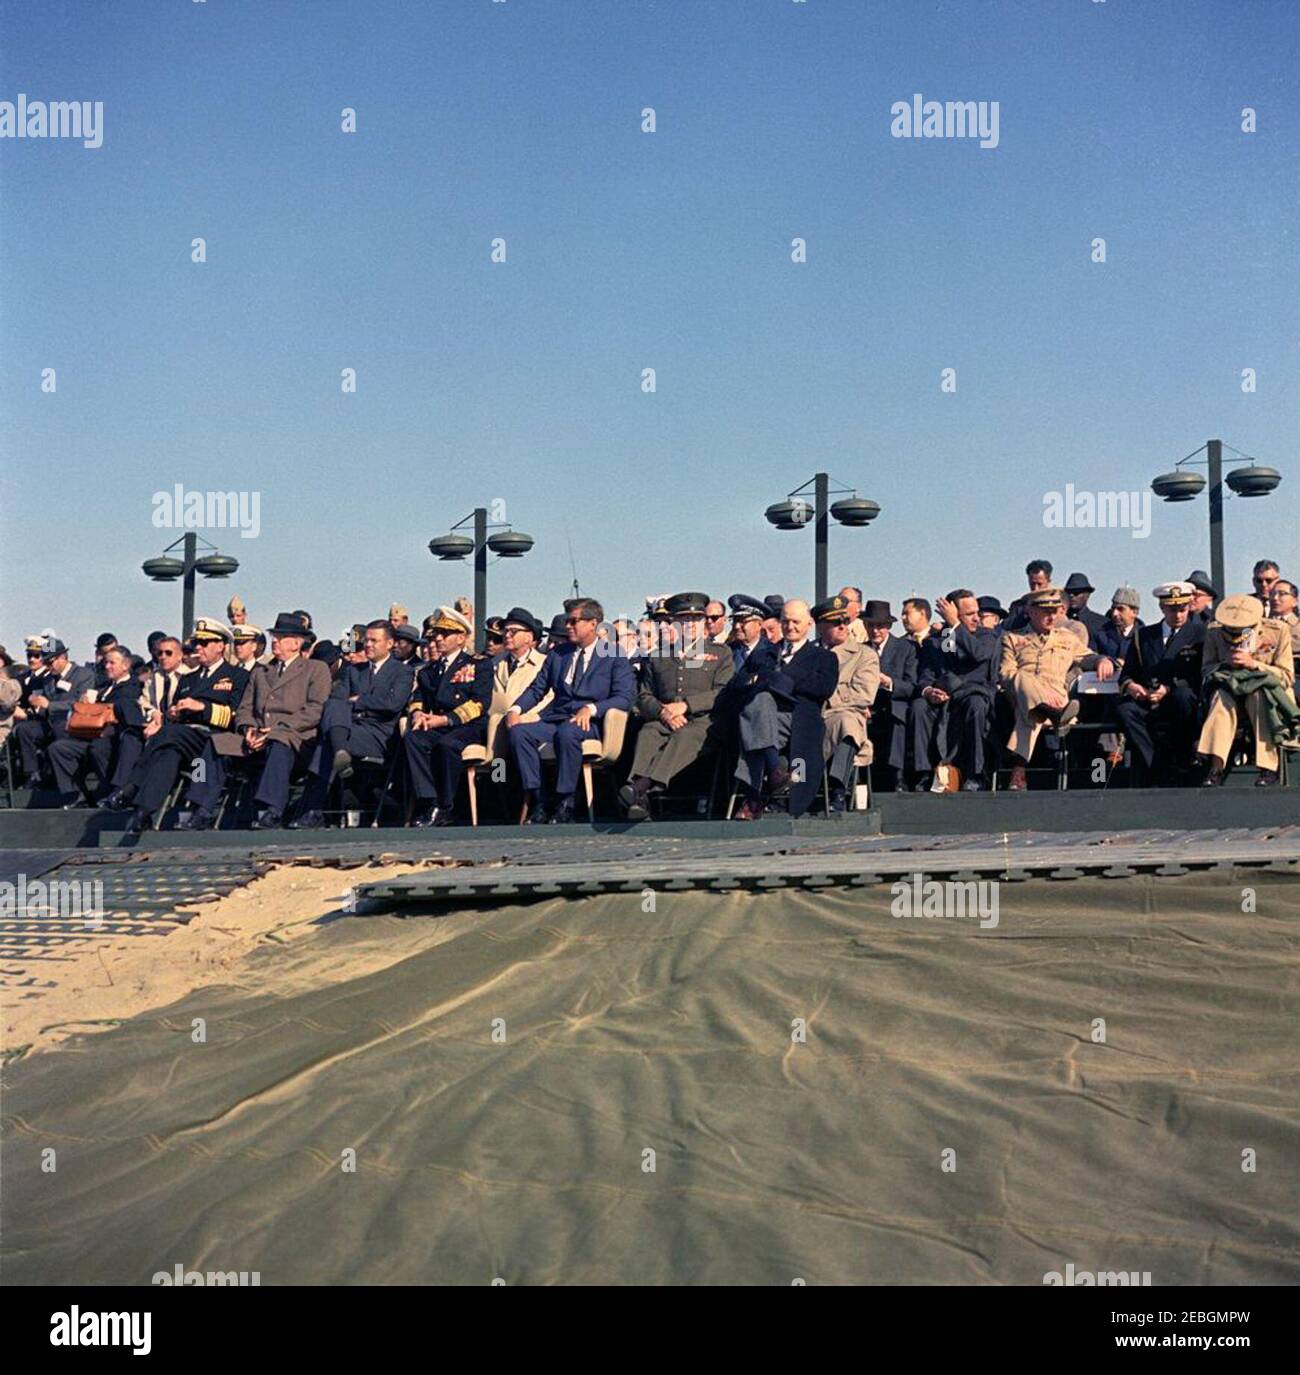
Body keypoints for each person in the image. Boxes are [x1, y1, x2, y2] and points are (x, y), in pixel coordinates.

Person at [177, 612, 331, 830]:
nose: (274, 641)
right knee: (215, 743)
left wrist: (275, 729)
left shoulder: (315, 669)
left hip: (294, 737)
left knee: (279, 741)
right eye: (274, 636)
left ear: (296, 643)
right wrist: (248, 728)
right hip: (256, 736)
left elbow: (316, 709)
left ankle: (272, 810)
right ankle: (201, 807)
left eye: (281, 637)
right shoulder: (261, 672)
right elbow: (245, 708)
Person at [112, 620, 248, 836]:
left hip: (215, 737)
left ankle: (131, 787)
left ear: (220, 646)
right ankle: (144, 813)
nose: (198, 648)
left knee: (171, 737)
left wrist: (202, 707)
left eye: (204, 643)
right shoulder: (188, 679)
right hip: (187, 743)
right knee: (169, 754)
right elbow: (173, 713)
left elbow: (236, 714)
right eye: (196, 643)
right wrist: (174, 713)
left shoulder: (237, 676)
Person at [505, 598, 635, 824]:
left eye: (573, 621)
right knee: (519, 733)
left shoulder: (613, 655)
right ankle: (539, 798)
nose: (568, 626)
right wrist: (515, 709)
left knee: (568, 732)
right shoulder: (559, 654)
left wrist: (592, 708)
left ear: (593, 624)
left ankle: (566, 800)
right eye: (567, 621)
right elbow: (537, 689)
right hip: (556, 718)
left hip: (589, 723)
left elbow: (625, 697)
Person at [619, 592, 734, 820]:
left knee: (687, 736)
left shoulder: (720, 654)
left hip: (704, 722)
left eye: (696, 620)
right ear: (674, 623)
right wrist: (663, 712)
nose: (690, 625)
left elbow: (724, 691)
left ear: (703, 623)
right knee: (648, 733)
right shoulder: (658, 656)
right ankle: (641, 797)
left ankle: (642, 787)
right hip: (664, 719)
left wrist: (687, 706)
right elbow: (643, 695)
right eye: (684, 620)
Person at [292, 620, 415, 828]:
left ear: (390, 643)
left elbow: (393, 705)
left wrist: (358, 701)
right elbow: (337, 700)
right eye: (366, 640)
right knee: (332, 707)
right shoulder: (353, 671)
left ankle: (313, 810)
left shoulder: (401, 671)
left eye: (374, 640)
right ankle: (339, 754)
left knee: (327, 740)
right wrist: (356, 705)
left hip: (377, 734)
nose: (368, 645)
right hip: (349, 729)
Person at [997, 587, 1115, 791]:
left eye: (1055, 612)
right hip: (1022, 695)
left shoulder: (1066, 638)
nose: (1051, 617)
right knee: (1023, 678)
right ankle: (1054, 714)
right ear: (1031, 611)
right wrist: (1035, 689)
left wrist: (1103, 660)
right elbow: (1006, 674)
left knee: (1031, 714)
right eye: (1045, 612)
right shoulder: (1012, 638)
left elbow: (1087, 657)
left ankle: (1019, 772)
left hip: (1055, 698)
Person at [733, 599, 838, 819]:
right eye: (786, 621)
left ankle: (755, 796)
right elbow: (739, 682)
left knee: (756, 720)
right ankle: (775, 772)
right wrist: (761, 680)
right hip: (764, 718)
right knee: (760, 706)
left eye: (796, 622)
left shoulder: (824, 657)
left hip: (800, 719)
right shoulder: (765, 653)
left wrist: (781, 678)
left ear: (809, 623)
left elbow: (823, 688)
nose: (790, 627)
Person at [403, 607, 494, 826]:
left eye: (445, 634)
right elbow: (417, 697)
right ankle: (430, 799)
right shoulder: (429, 670)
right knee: (413, 739)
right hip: (438, 724)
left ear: (461, 638)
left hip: (469, 726)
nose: (438, 639)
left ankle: (446, 805)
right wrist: (417, 714)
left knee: (446, 745)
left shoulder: (479, 664)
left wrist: (445, 720)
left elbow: (480, 704)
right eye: (437, 634)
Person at [1197, 594, 1297, 787]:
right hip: (1229, 687)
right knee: (1220, 700)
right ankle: (1215, 766)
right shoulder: (1215, 632)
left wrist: (1254, 664)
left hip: (1263, 690)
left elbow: (1286, 676)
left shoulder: (1277, 631)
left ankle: (1268, 766)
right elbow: (1206, 669)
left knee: (1259, 699)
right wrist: (1226, 663)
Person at [1114, 582, 1206, 785]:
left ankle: (1182, 761)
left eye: (1183, 609)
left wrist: (1169, 688)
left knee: (1183, 698)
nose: (1178, 615)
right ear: (1162, 608)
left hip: (1179, 702)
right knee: (1125, 710)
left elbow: (1199, 675)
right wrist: (1131, 686)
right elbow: (1128, 673)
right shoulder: (1144, 635)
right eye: (1172, 609)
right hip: (1148, 699)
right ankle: (1155, 766)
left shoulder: (1200, 634)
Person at [909, 591, 999, 790]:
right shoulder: (938, 640)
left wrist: (956, 625)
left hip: (971, 696)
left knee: (976, 705)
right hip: (943, 698)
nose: (977, 617)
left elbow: (977, 654)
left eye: (977, 612)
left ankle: (974, 774)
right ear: (953, 614)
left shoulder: (986, 636)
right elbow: (926, 675)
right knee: (919, 706)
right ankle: (925, 774)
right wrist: (928, 691)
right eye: (969, 614)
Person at [44, 646, 144, 807]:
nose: (107, 666)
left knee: (99, 747)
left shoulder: (132, 687)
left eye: (112, 663)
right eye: (106, 662)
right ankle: (77, 794)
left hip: (112, 736)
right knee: (59, 748)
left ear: (125, 665)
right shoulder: (104, 686)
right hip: (92, 733)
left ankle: (110, 791)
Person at [816, 595, 879, 811]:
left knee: (848, 723)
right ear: (820, 626)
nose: (842, 626)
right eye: (835, 623)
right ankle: (787, 789)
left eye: (844, 621)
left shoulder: (864, 655)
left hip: (842, 714)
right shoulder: (810, 653)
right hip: (811, 715)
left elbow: (863, 694)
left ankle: (838, 789)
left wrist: (826, 698)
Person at [10, 638, 95, 785]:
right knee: (25, 730)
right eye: (46, 662)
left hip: (72, 723)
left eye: (51, 662)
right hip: (49, 722)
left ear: (63, 657)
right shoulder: (48, 679)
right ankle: (32, 774)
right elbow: (44, 706)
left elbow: (81, 704)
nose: (49, 666)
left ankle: (61, 778)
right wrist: (34, 707)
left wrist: (50, 705)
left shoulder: (83, 675)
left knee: (60, 728)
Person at [863, 600, 918, 793]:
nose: (875, 631)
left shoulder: (906, 648)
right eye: (871, 626)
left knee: (897, 717)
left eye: (880, 626)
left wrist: (889, 683)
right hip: (868, 708)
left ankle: (898, 777)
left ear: (889, 626)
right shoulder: (860, 650)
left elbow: (912, 686)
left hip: (895, 705)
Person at [1095, 587, 1143, 664]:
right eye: (1113, 608)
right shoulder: (1101, 634)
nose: (1114, 613)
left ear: (1134, 612)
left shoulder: (1146, 637)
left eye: (1120, 609)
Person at [1004, 560, 1053, 631]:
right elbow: (1006, 626)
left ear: (1048, 581)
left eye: (1039, 584)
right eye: (1032, 584)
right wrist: (1025, 614)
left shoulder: (1058, 604)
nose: (1036, 588)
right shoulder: (1019, 606)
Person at [1063, 573, 1106, 645]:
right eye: (1068, 592)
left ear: (1087, 595)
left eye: (1076, 592)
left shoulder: (1101, 624)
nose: (1071, 596)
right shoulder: (1058, 622)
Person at [1268, 578, 1299, 658]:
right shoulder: (1261, 624)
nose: (1275, 598)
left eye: (1282, 594)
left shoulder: (1297, 625)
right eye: (1272, 594)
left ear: (1295, 601)